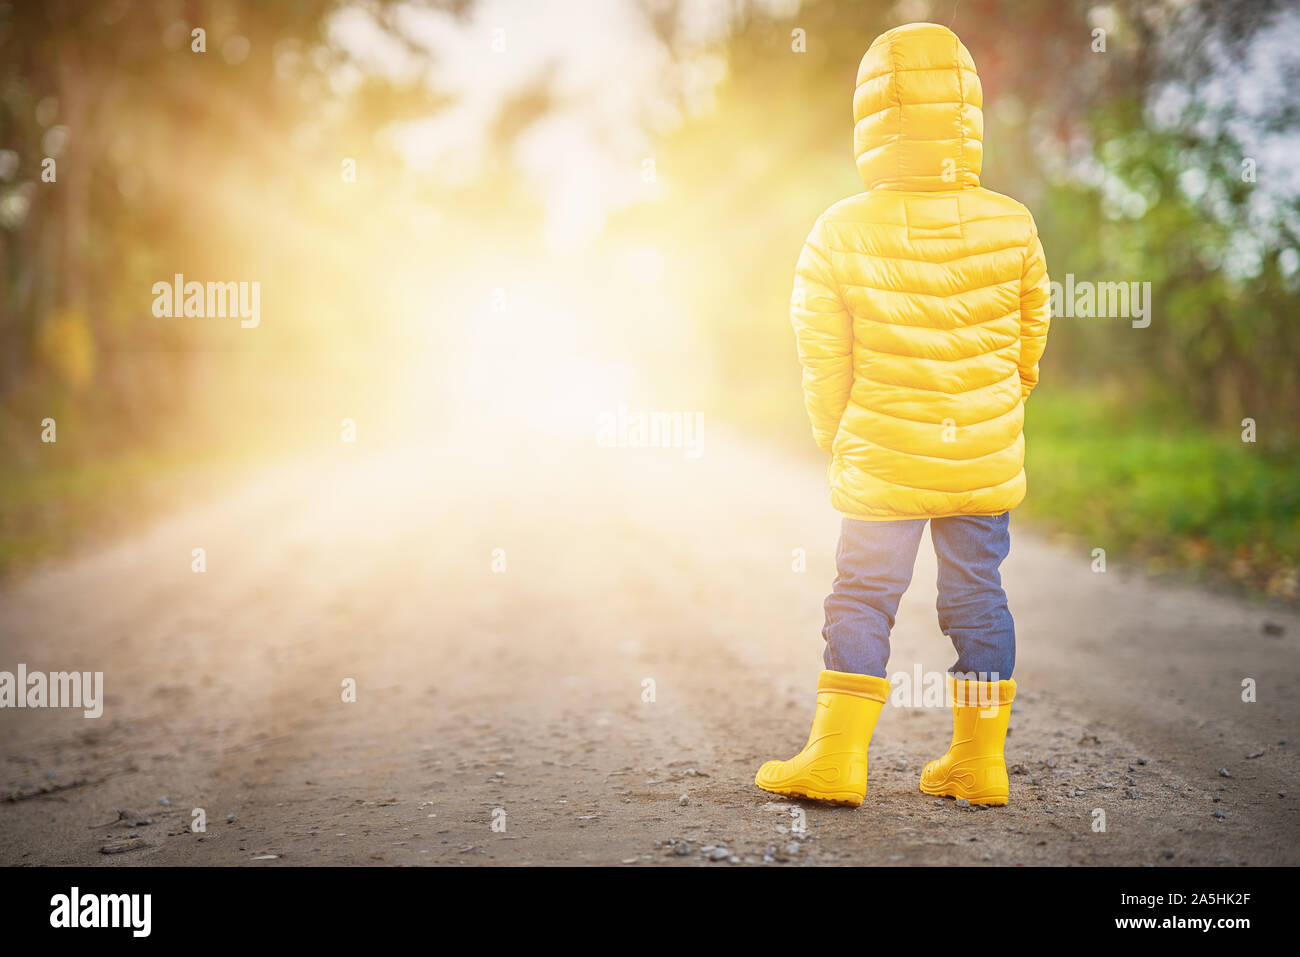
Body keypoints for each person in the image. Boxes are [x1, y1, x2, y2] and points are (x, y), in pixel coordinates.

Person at [755, 21, 1051, 808]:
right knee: (978, 595)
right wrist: (1000, 402)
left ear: (874, 114)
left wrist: (833, 432)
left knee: (863, 594)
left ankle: (837, 758)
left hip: (881, 450)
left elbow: (822, 354)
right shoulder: (1014, 221)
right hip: (983, 453)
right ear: (967, 111)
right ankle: (979, 763)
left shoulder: (838, 230)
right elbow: (1031, 337)